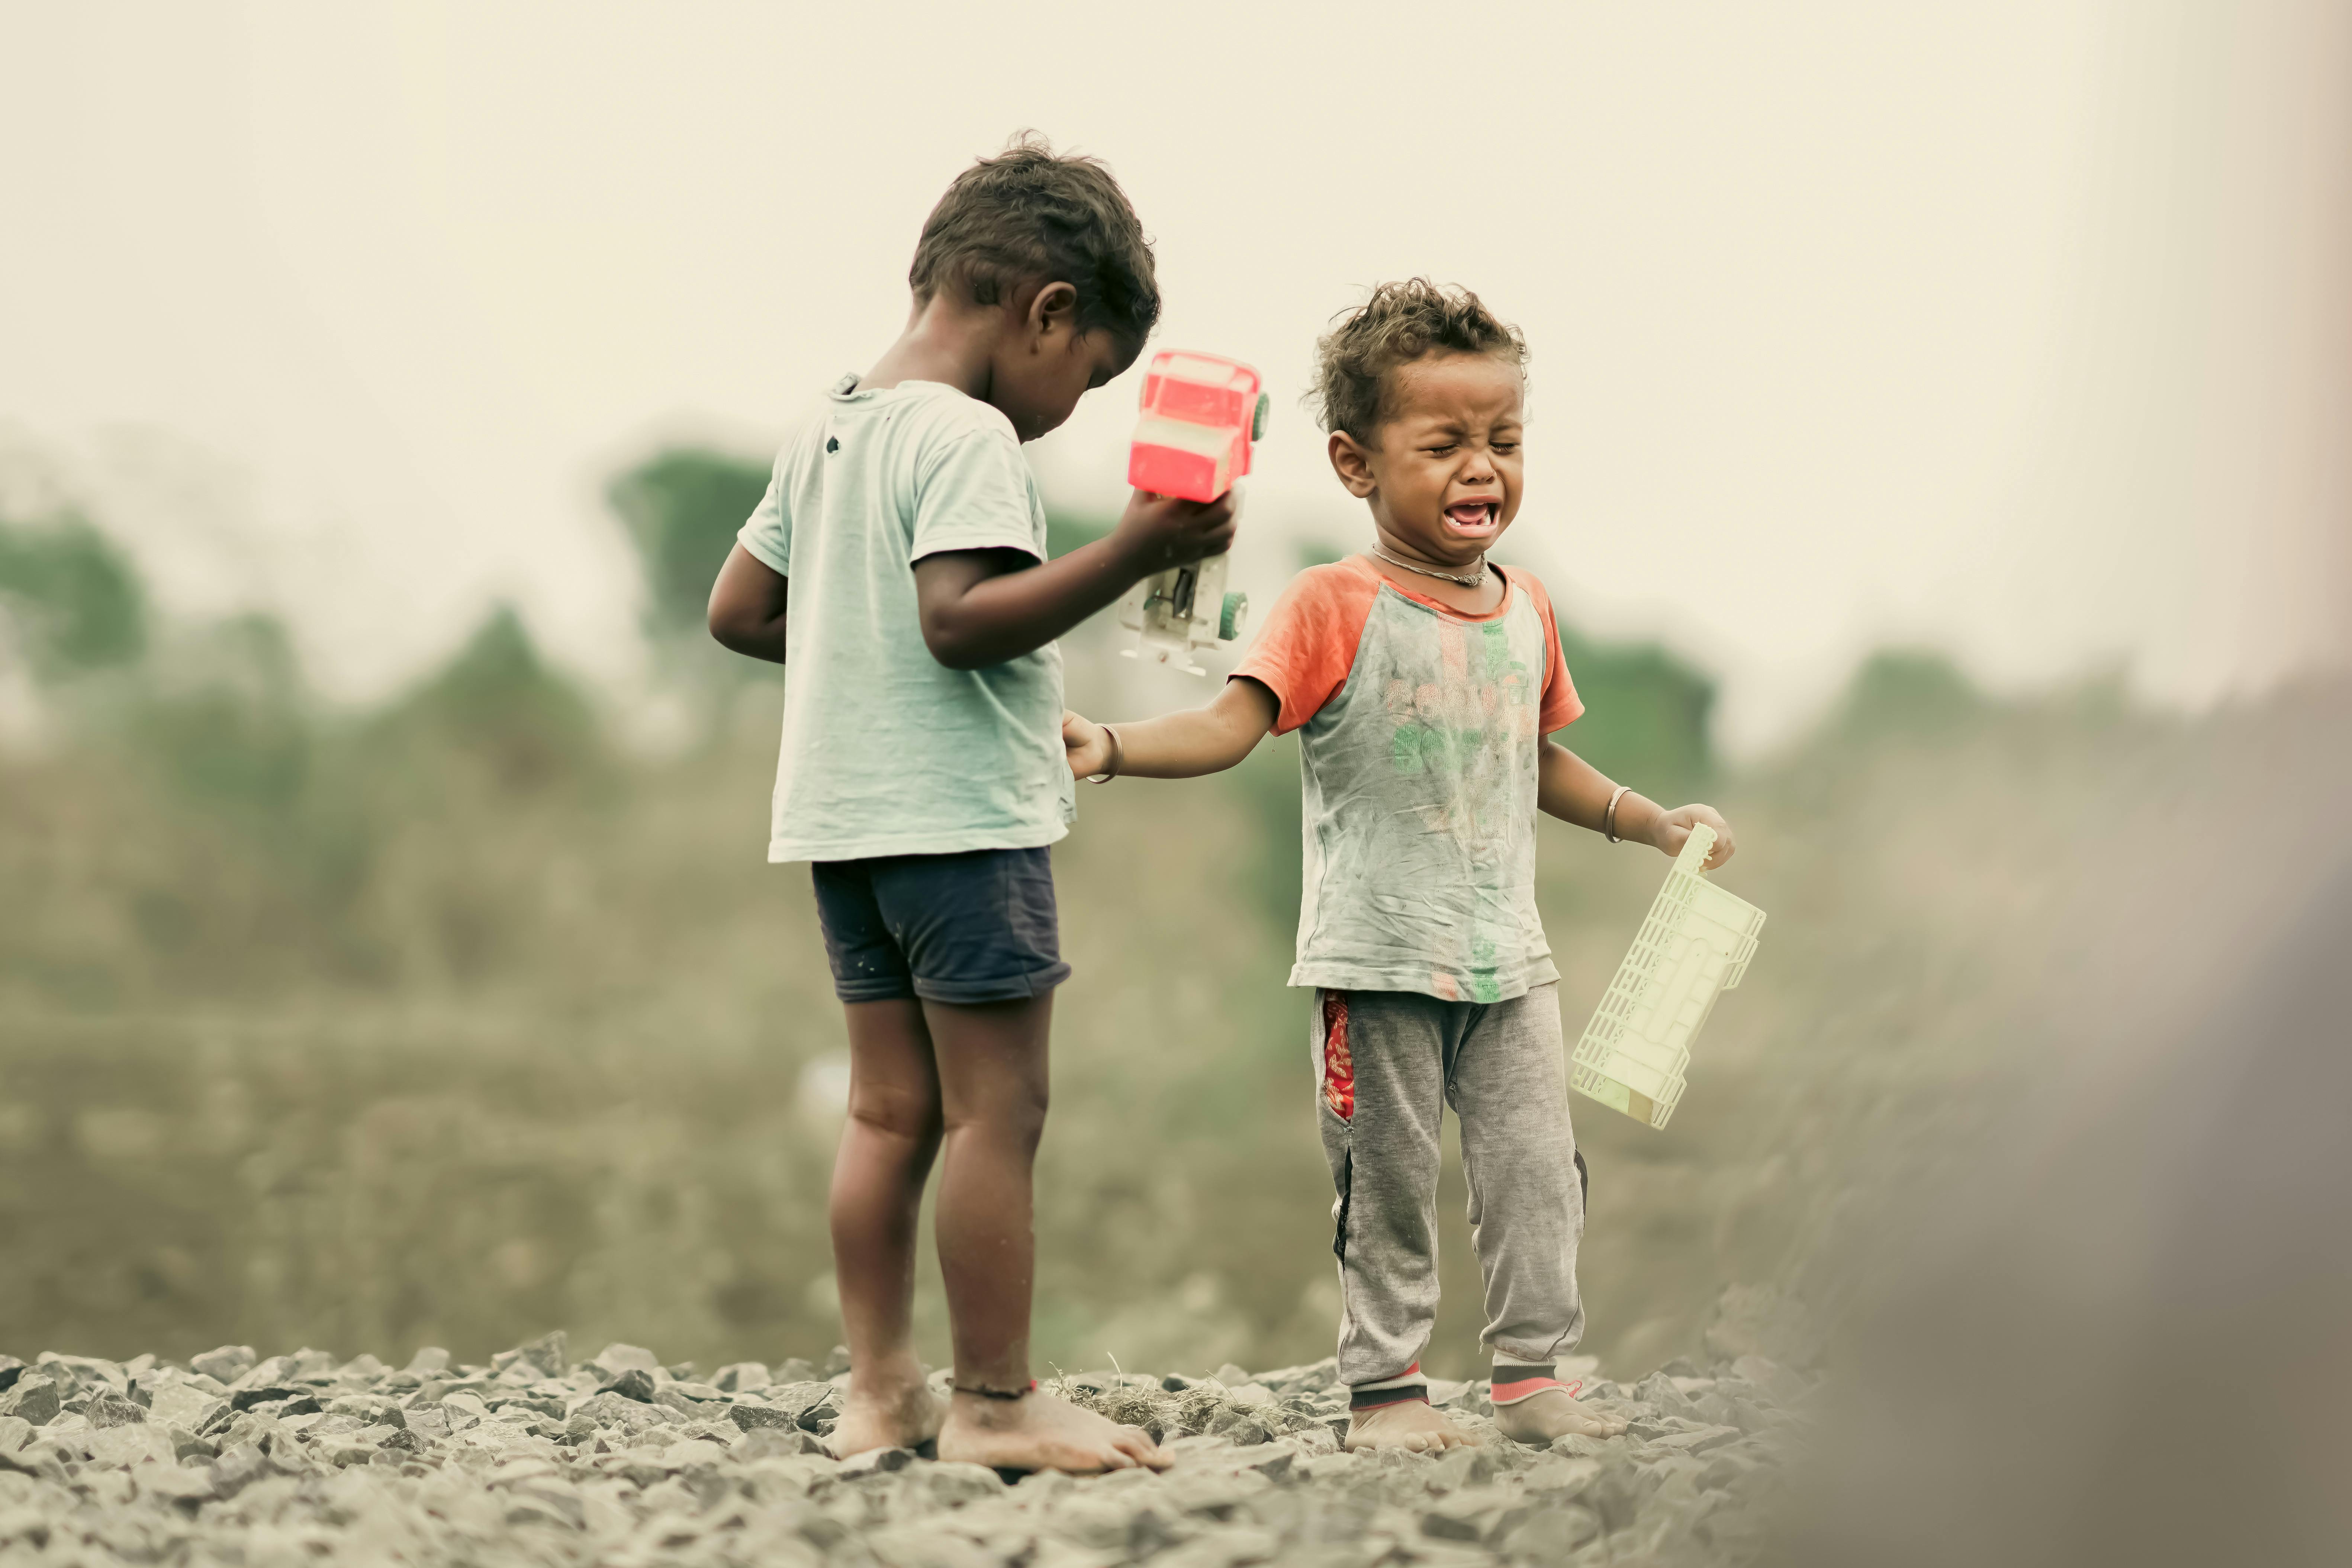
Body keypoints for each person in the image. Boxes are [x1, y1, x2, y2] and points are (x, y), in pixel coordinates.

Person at [1062, 280, 1736, 1452]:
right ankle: (1386, 1390)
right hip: (1376, 960)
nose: (1483, 468)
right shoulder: (1333, 603)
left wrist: (1651, 820)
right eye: (1446, 444)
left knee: (1538, 1173)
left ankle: (1532, 1377)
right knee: (1386, 1178)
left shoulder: (1526, 608)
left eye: (1505, 441)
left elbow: (1540, 758)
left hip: (1508, 962)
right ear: (1355, 463)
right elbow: (1231, 724)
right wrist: (1112, 746)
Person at [705, 135, 1235, 1474]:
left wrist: (857, 647)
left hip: (844, 830)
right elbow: (959, 623)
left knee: (889, 1114)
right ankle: (996, 1399)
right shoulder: (970, 434)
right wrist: (1135, 550)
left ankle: (882, 1389)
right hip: (960, 823)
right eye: (1090, 375)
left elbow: (742, 611)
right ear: (1046, 312)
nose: (1072, 409)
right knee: (999, 1112)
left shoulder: (832, 422)